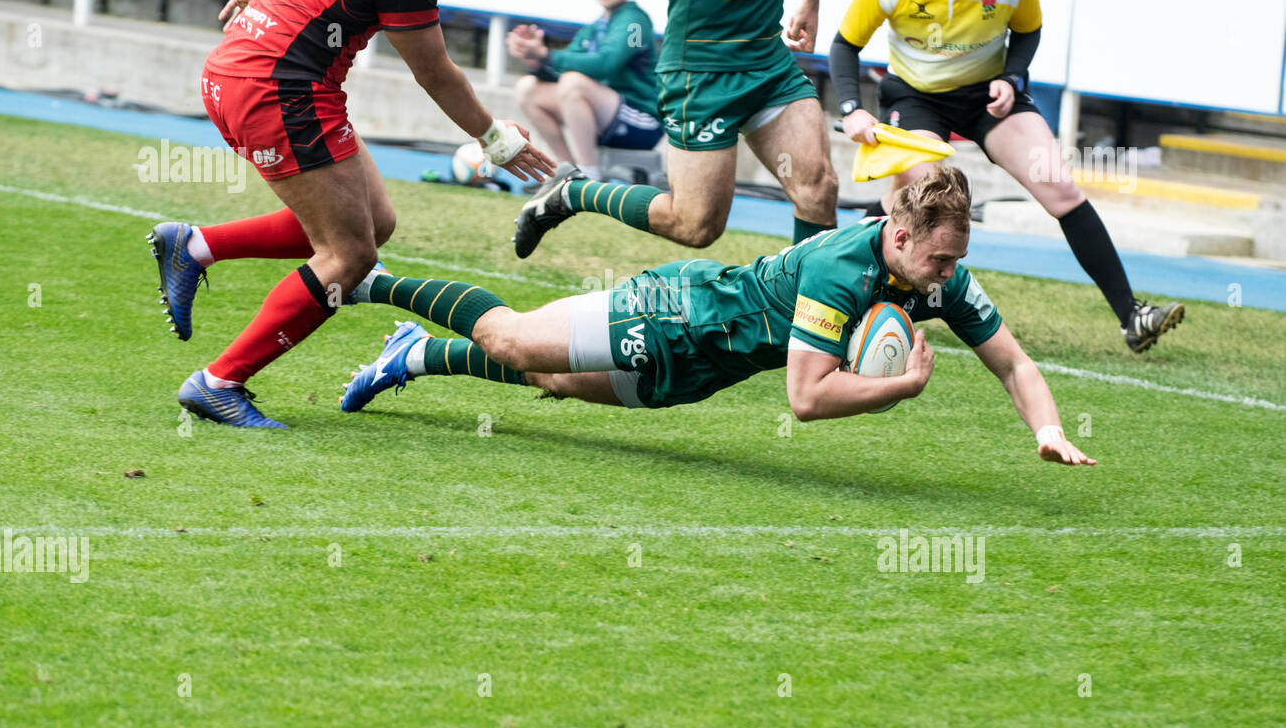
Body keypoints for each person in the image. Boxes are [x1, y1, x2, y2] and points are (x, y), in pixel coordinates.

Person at [149, 0, 554, 428]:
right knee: (349, 256)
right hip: (278, 95)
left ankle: (193, 247)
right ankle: (218, 382)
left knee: (373, 223)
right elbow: (435, 73)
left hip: (265, 79)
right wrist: (495, 138)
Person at [338, 166, 1096, 465]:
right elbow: (805, 399)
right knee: (507, 337)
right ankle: (377, 281)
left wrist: (1048, 429)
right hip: (677, 312)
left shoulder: (941, 278)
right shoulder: (842, 271)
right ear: (899, 236)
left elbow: (1014, 361)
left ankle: (411, 355)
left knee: (552, 381)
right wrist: (899, 389)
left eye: (956, 259)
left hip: (710, 365)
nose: (950, 273)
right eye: (939, 259)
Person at [829, 0, 1183, 354]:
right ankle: (852, 296)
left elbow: (1029, 31)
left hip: (986, 96)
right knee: (923, 192)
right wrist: (851, 109)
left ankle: (1132, 316)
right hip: (916, 96)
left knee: (1059, 183)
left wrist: (1012, 78)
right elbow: (844, 45)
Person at [512, 0, 840, 259]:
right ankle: (573, 192)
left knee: (818, 189)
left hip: (768, 60)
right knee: (696, 225)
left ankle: (812, 314)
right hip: (700, 72)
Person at [509, 0, 661, 185]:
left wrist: (546, 54)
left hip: (641, 121)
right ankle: (566, 172)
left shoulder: (635, 23)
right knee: (527, 88)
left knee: (573, 83)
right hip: (607, 115)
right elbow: (560, 68)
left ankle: (589, 177)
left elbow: (606, 64)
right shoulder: (593, 28)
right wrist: (536, 60)